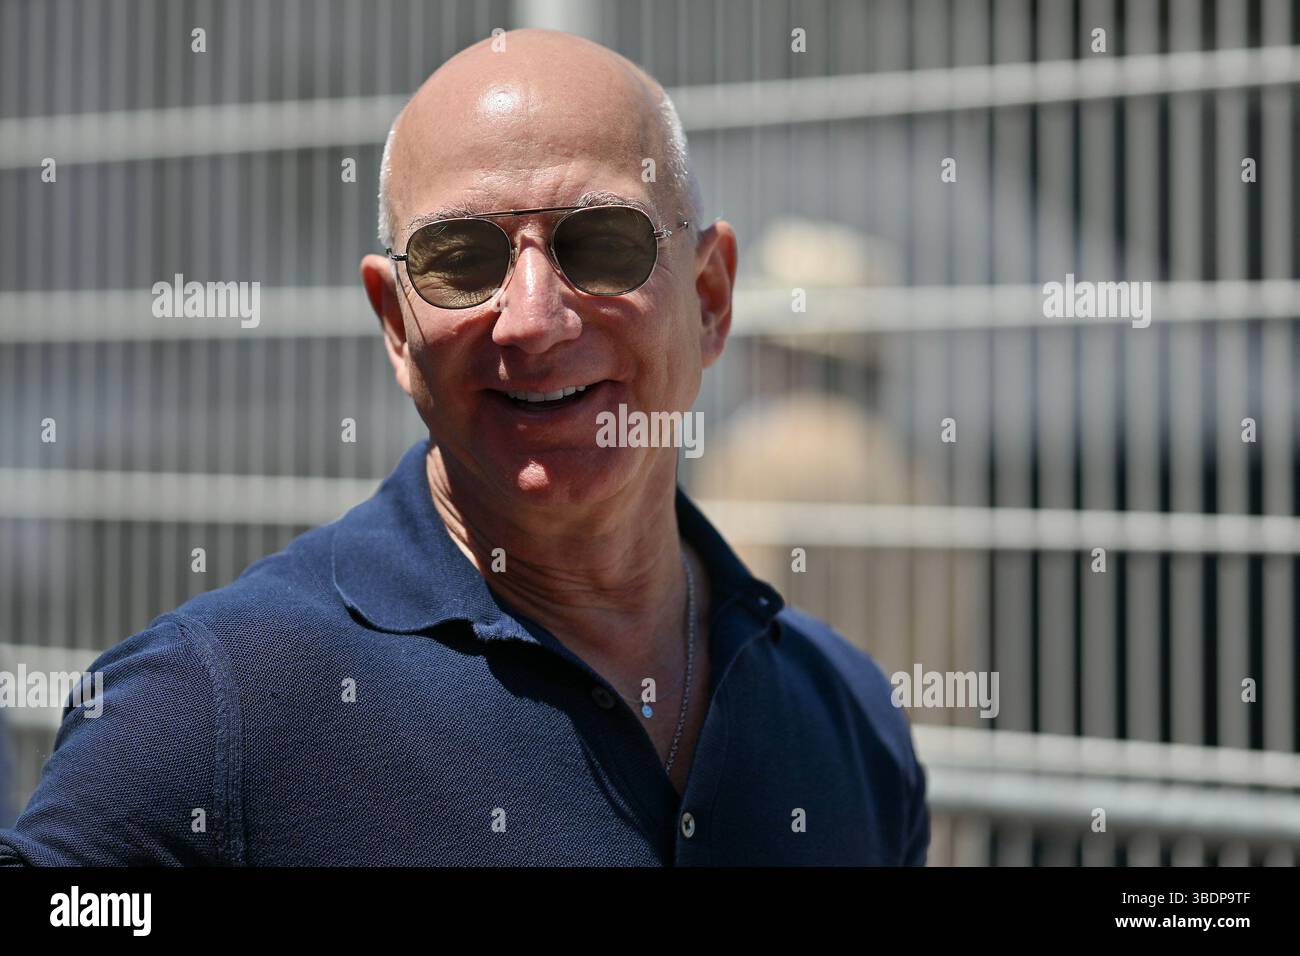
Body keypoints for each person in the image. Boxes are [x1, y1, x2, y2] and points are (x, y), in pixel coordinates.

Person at [0, 28, 928, 866]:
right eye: (463, 260)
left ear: (712, 298)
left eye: (603, 245)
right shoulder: (215, 706)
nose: (531, 321)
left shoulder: (842, 717)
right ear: (397, 327)